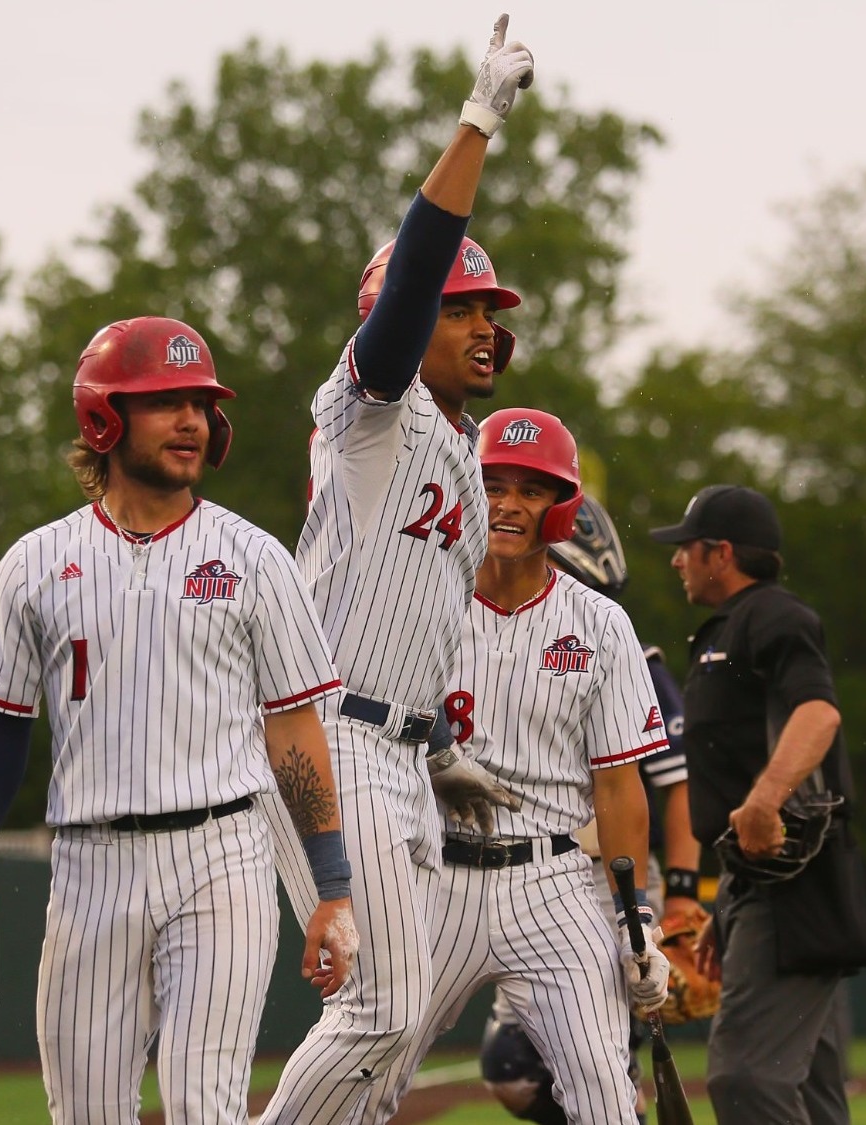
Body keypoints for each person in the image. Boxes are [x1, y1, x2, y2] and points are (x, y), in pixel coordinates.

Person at [0, 316, 358, 1124]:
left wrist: (330, 887)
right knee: (86, 1111)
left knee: (205, 1105)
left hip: (222, 855)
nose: (193, 419)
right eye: (166, 401)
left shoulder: (253, 558)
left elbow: (295, 734)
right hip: (91, 865)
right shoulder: (35, 562)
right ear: (104, 417)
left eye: (200, 402)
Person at [259, 16, 535, 1124]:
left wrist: (448, 748)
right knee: (379, 1009)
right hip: (328, 738)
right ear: (406, 316)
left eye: (492, 314)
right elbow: (415, 268)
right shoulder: (370, 408)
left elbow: (429, 627)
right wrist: (476, 124)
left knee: (391, 1038)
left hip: (401, 757)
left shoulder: (468, 463)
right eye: (463, 309)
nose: (481, 327)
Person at [356, 409, 671, 1124]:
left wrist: (638, 918)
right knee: (366, 1074)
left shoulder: (600, 624)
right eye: (493, 484)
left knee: (604, 1098)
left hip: (555, 883)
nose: (508, 504)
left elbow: (621, 785)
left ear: (562, 507)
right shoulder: (419, 604)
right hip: (435, 874)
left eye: (532, 489)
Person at [654, 484, 866, 1125]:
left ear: (721, 553)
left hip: (795, 881)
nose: (677, 560)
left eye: (687, 548)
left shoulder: (773, 615)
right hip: (760, 882)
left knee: (745, 1080)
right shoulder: (727, 631)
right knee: (810, 1091)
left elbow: (818, 712)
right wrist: (727, 909)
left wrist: (766, 799)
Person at [479, 494, 707, 1124]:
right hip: (510, 870)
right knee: (515, 1071)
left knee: (592, 1069)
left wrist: (681, 893)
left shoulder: (623, 651)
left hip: (612, 873)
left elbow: (676, 783)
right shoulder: (474, 637)